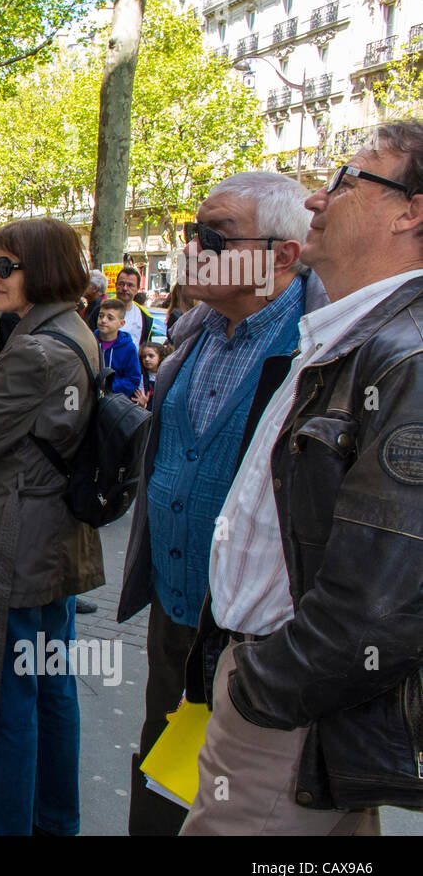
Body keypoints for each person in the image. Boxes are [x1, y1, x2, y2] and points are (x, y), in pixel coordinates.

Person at [180, 121, 423, 836]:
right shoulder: (356, 337)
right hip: (287, 697)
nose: (319, 198)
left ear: (411, 211)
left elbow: (384, 596)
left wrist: (262, 689)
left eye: (350, 179)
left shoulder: (404, 357)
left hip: (289, 711)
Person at [116, 170, 323, 836]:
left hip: (260, 642)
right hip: (177, 617)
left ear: (282, 256)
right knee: (159, 782)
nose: (192, 250)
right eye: (190, 234)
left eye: (213, 236)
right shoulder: (191, 339)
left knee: (248, 812)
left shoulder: (323, 355)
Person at [0, 218, 105, 836]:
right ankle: (55, 822)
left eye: (4, 265)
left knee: (8, 700)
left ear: (39, 268)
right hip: (56, 538)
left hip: (17, 541)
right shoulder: (75, 330)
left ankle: (2, 828)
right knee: (53, 689)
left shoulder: (35, 349)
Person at [95, 298, 142, 397]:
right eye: (101, 316)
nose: (103, 320)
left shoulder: (129, 348)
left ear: (121, 323)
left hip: (114, 403)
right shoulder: (90, 340)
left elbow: (133, 379)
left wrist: (108, 387)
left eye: (110, 318)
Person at [114, 266, 153, 347]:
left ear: (137, 289)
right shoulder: (101, 310)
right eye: (121, 284)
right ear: (116, 285)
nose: (125, 288)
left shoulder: (145, 317)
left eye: (130, 285)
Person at [134, 342, 169, 407]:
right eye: (144, 357)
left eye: (151, 356)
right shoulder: (141, 378)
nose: (147, 359)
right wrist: (142, 404)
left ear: (160, 357)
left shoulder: (168, 376)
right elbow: (140, 399)